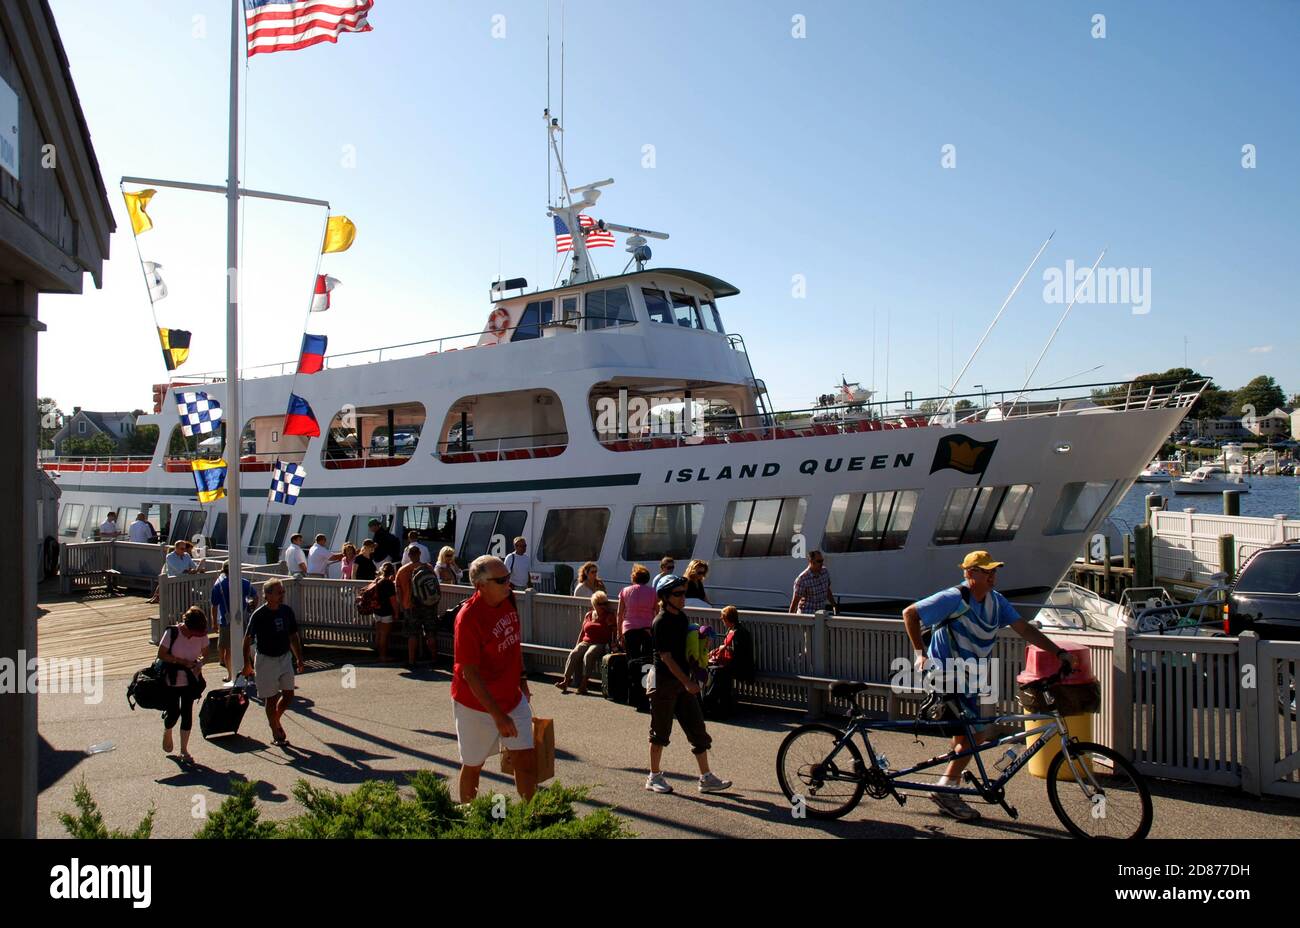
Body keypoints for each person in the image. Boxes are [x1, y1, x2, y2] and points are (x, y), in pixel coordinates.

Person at [902, 550, 1073, 822]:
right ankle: (945, 788)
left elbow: (1024, 629)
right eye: (986, 571)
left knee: (970, 736)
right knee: (976, 734)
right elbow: (910, 613)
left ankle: (948, 783)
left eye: (994, 571)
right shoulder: (954, 598)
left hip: (973, 677)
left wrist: (1058, 652)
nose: (993, 576)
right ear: (970, 574)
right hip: (946, 676)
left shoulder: (997, 601)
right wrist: (920, 653)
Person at [452, 555, 536, 802]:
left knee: (525, 759)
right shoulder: (468, 618)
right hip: (476, 704)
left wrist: (522, 681)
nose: (508, 584)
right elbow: (470, 673)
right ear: (481, 585)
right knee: (473, 764)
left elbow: (513, 645)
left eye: (508, 578)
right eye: (501, 580)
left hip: (511, 697)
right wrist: (497, 715)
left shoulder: (509, 600)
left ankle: (529, 816)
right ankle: (470, 818)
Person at [644, 574, 732, 795]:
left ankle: (706, 778)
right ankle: (653, 777)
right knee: (660, 732)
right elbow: (666, 657)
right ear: (665, 597)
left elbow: (686, 651)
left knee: (697, 730)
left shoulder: (682, 618)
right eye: (678, 594)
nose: (683, 597)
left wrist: (701, 646)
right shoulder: (661, 621)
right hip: (664, 682)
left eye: (684, 592)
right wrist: (687, 682)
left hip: (684, 682)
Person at [241, 578, 305, 746]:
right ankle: (276, 731)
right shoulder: (259, 614)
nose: (282, 595)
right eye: (279, 592)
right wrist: (246, 664)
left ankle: (274, 720)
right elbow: (247, 639)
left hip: (284, 657)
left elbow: (293, 636)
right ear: (268, 595)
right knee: (271, 698)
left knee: (289, 694)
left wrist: (299, 658)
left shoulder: (286, 611)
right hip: (265, 659)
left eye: (283, 592)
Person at [158, 606, 208, 764]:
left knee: (187, 713)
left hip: (190, 679)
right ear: (187, 626)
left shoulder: (200, 634)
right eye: (194, 632)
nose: (196, 636)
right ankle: (168, 729)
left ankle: (184, 750)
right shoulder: (172, 633)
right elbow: (161, 654)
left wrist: (199, 663)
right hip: (172, 679)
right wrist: (181, 661)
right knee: (174, 713)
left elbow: (206, 652)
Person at [556, 591, 615, 694]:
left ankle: (584, 684)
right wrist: (577, 644)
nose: (604, 606)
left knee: (589, 655)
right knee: (574, 653)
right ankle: (565, 681)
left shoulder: (609, 616)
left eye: (605, 603)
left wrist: (614, 643)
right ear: (595, 604)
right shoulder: (589, 614)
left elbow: (614, 632)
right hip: (586, 641)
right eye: (601, 604)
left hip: (600, 643)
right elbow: (582, 631)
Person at [210, 561, 258, 683]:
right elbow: (255, 596)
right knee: (245, 648)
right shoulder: (245, 583)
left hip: (225, 621)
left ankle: (231, 675)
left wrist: (214, 623)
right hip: (242, 619)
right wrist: (252, 606)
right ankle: (249, 672)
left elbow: (214, 606)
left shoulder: (219, 585)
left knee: (228, 650)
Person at [705, 606, 754, 717]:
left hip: (740, 666)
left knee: (719, 672)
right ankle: (720, 706)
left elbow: (739, 653)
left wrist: (723, 650)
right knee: (717, 670)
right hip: (731, 664)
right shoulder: (732, 630)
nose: (722, 621)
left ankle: (710, 702)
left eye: (723, 619)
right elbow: (727, 647)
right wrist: (716, 651)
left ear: (727, 619)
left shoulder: (739, 632)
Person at [396, 546, 439, 667]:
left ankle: (411, 660)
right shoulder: (429, 568)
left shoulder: (402, 570)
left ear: (409, 555)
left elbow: (398, 590)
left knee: (412, 634)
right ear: (419, 554)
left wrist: (401, 606)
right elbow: (435, 586)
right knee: (430, 633)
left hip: (410, 606)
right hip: (428, 605)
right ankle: (434, 658)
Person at [617, 563, 658, 661]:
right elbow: (657, 612)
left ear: (634, 578)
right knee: (647, 657)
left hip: (629, 628)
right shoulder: (653, 592)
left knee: (632, 657)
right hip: (647, 628)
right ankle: (645, 676)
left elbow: (619, 613)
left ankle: (633, 675)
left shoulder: (625, 591)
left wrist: (619, 633)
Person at [790, 550, 834, 615]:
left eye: (822, 560)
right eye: (819, 561)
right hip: (806, 617)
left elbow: (827, 590)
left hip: (821, 616)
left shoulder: (825, 572)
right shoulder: (802, 579)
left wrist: (834, 605)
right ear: (811, 561)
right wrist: (790, 620)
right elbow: (795, 602)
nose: (822, 563)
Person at [371, 561, 400, 662]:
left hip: (377, 610)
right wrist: (396, 613)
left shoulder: (377, 581)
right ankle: (383, 656)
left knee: (378, 633)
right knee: (384, 635)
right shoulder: (389, 584)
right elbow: (393, 601)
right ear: (392, 573)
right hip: (386, 612)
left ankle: (378, 654)